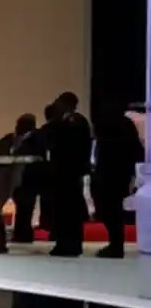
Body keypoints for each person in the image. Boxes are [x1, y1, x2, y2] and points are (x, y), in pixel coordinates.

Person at [46, 91, 92, 257]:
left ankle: (71, 244)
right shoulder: (65, 122)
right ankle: (64, 242)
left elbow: (73, 148)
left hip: (69, 172)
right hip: (63, 172)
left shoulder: (75, 122)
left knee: (70, 209)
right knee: (63, 209)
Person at [91, 110, 143, 258]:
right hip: (121, 173)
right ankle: (116, 244)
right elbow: (137, 149)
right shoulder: (126, 124)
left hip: (108, 173)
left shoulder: (107, 127)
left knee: (109, 209)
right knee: (114, 209)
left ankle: (116, 245)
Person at [9, 113, 47, 243]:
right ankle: (21, 232)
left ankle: (24, 234)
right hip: (22, 176)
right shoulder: (18, 139)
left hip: (31, 176)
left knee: (26, 206)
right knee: (22, 205)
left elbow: (20, 153)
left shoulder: (35, 138)